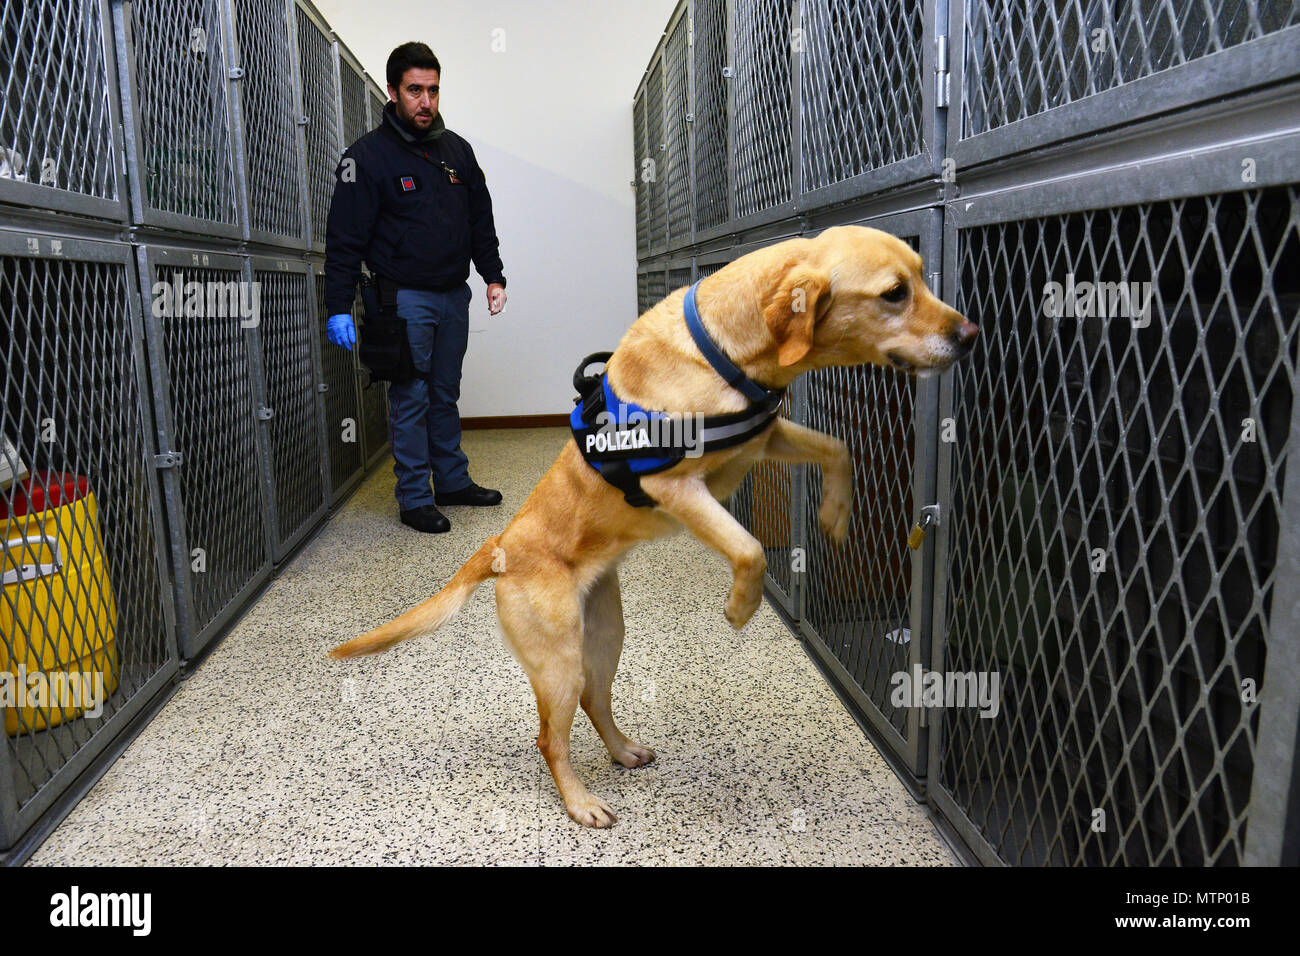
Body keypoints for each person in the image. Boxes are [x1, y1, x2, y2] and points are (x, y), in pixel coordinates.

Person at [323, 42, 507, 533]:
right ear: (393, 92)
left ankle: (451, 481)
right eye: (415, 91)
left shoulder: (457, 152)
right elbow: (343, 239)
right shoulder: (364, 157)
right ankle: (412, 497)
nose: (426, 101)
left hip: (453, 295)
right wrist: (337, 305)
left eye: (433, 90)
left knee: (445, 393)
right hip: (403, 298)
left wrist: (493, 275)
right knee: (411, 396)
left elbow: (479, 219)